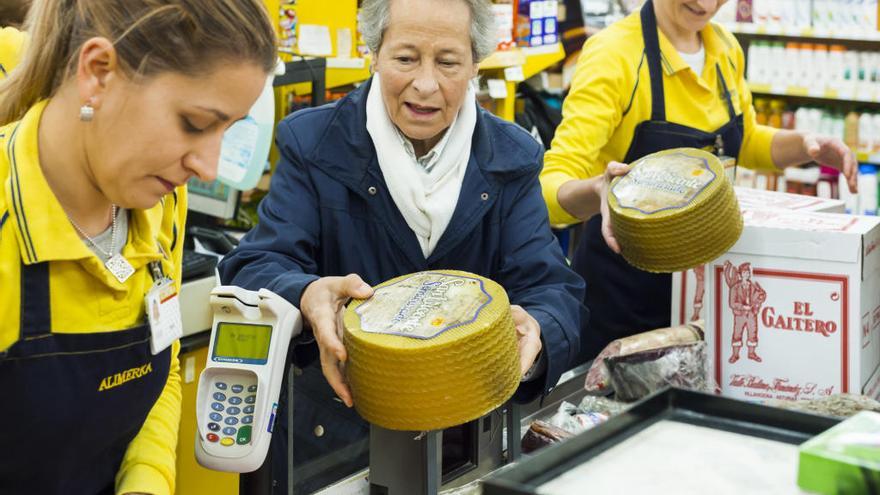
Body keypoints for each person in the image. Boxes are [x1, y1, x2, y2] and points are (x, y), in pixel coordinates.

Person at [218, 0, 586, 491]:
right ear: (374, 52)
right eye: (406, 58)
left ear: (477, 62)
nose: (426, 84)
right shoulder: (316, 144)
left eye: (449, 62)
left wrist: (537, 329)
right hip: (331, 442)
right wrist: (305, 294)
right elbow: (255, 265)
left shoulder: (511, 159)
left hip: (464, 441)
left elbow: (552, 288)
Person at [0, 1, 275, 494]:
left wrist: (147, 481)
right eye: (193, 123)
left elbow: (161, 357)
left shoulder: (160, 203)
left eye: (227, 131)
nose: (208, 167)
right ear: (98, 73)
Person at [539, 0, 858, 360]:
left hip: (706, 298)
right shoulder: (614, 53)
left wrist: (805, 145)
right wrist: (598, 189)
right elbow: (551, 188)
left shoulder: (724, 46)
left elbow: (745, 141)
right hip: (624, 301)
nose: (706, 3)